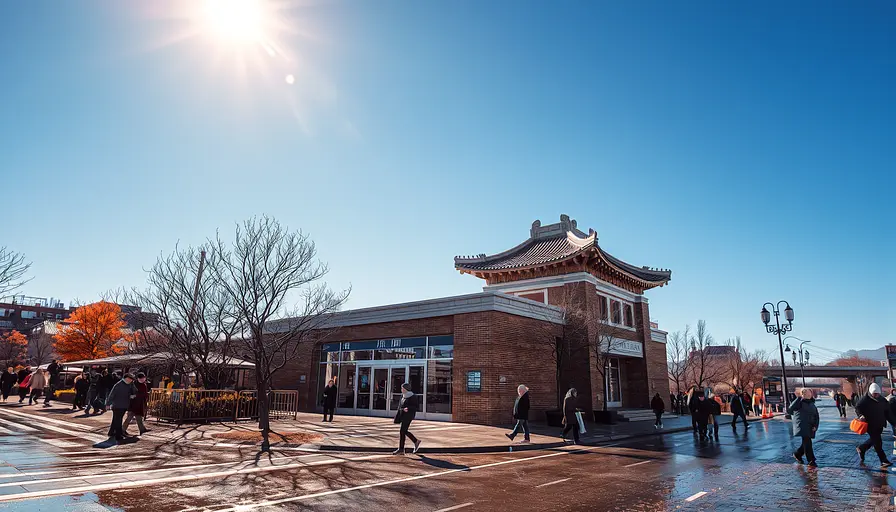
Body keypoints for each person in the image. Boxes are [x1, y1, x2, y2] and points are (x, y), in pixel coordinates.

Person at [855, 383, 893, 468]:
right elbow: (857, 407)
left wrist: (894, 423)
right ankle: (883, 460)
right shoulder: (865, 400)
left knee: (874, 440)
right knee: (878, 442)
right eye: (874, 394)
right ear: (871, 392)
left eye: (877, 394)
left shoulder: (882, 400)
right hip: (870, 425)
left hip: (880, 424)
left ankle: (862, 448)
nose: (876, 395)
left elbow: (888, 413)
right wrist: (860, 415)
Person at [788, 388, 819, 467]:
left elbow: (816, 416)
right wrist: (798, 398)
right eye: (806, 393)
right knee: (807, 442)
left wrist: (815, 425)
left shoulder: (812, 403)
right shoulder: (799, 402)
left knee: (805, 443)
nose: (808, 395)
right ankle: (811, 460)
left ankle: (797, 454)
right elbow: (790, 409)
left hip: (810, 426)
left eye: (809, 393)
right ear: (803, 394)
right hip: (802, 425)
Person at [105, 373, 136, 441]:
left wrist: (132, 386)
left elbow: (134, 391)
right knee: (118, 420)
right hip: (117, 405)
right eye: (130, 379)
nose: (131, 381)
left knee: (116, 420)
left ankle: (111, 432)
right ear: (126, 378)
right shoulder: (118, 385)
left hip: (124, 405)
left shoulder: (129, 385)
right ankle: (118, 435)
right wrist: (108, 404)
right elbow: (112, 395)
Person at [392, 383, 421, 455]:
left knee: (403, 431)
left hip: (408, 416)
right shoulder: (403, 396)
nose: (401, 390)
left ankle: (402, 448)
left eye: (402, 388)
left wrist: (408, 408)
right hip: (402, 415)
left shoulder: (413, 396)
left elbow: (416, 407)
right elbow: (400, 406)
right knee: (403, 431)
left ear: (405, 389)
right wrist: (397, 416)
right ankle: (414, 442)